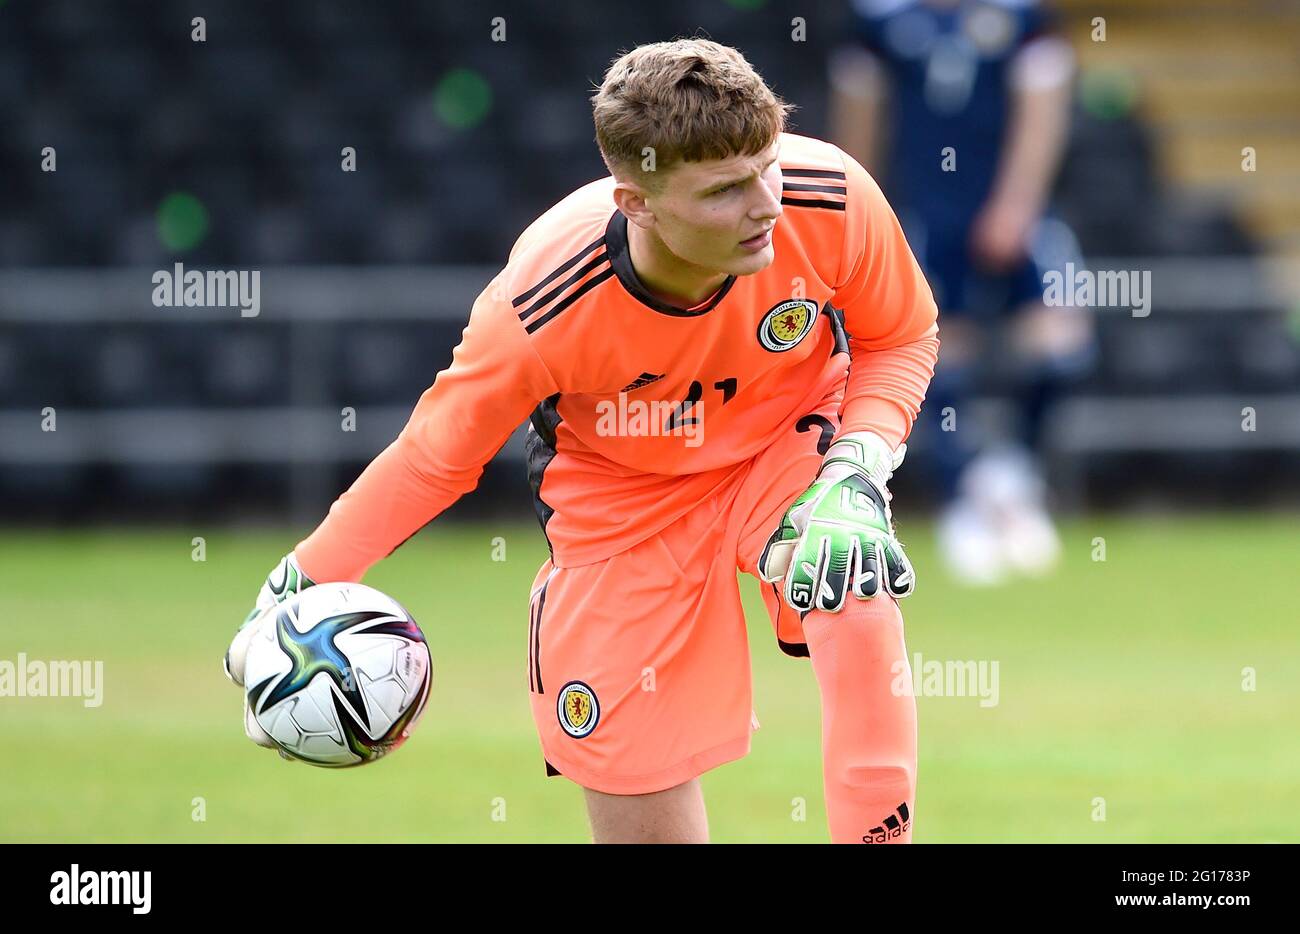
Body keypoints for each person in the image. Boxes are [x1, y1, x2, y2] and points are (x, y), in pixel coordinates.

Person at [224, 38, 939, 844]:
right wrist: (296, 583)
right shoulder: (539, 304)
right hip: (618, 498)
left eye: (767, 166)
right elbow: (434, 458)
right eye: (724, 190)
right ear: (637, 202)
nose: (766, 204)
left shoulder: (829, 194)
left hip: (783, 440)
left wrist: (857, 468)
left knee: (852, 580)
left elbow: (901, 335)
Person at [831, 0, 1094, 584]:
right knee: (936, 352)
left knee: (1062, 345)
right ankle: (965, 498)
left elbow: (1045, 107)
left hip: (1017, 207)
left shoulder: (1023, 18)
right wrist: (861, 215)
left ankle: (1015, 476)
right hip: (925, 211)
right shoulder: (879, 22)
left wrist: (1017, 203)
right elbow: (859, 118)